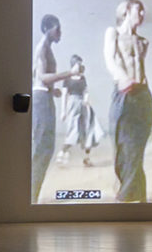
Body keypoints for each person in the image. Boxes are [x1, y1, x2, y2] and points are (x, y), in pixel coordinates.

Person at [104, 0, 152, 202]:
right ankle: (125, 198)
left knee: (137, 149)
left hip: (143, 96)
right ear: (126, 12)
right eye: (138, 11)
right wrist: (122, 77)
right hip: (125, 95)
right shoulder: (112, 33)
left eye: (143, 11)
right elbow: (110, 59)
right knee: (126, 148)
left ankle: (138, 198)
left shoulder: (143, 41)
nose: (142, 15)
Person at [31, 14, 83, 201]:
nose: (60, 32)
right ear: (47, 29)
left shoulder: (46, 49)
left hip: (44, 97)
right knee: (41, 148)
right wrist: (70, 73)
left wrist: (52, 91)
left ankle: (32, 196)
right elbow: (42, 77)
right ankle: (31, 197)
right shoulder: (42, 48)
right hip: (40, 100)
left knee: (46, 148)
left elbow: (37, 76)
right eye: (57, 29)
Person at [58, 53, 102, 168]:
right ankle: (62, 153)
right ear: (73, 65)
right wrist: (63, 111)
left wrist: (86, 99)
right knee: (72, 130)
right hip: (72, 105)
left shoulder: (83, 78)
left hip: (83, 104)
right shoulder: (67, 79)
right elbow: (64, 95)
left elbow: (86, 91)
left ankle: (86, 158)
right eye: (79, 64)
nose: (81, 66)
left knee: (88, 130)